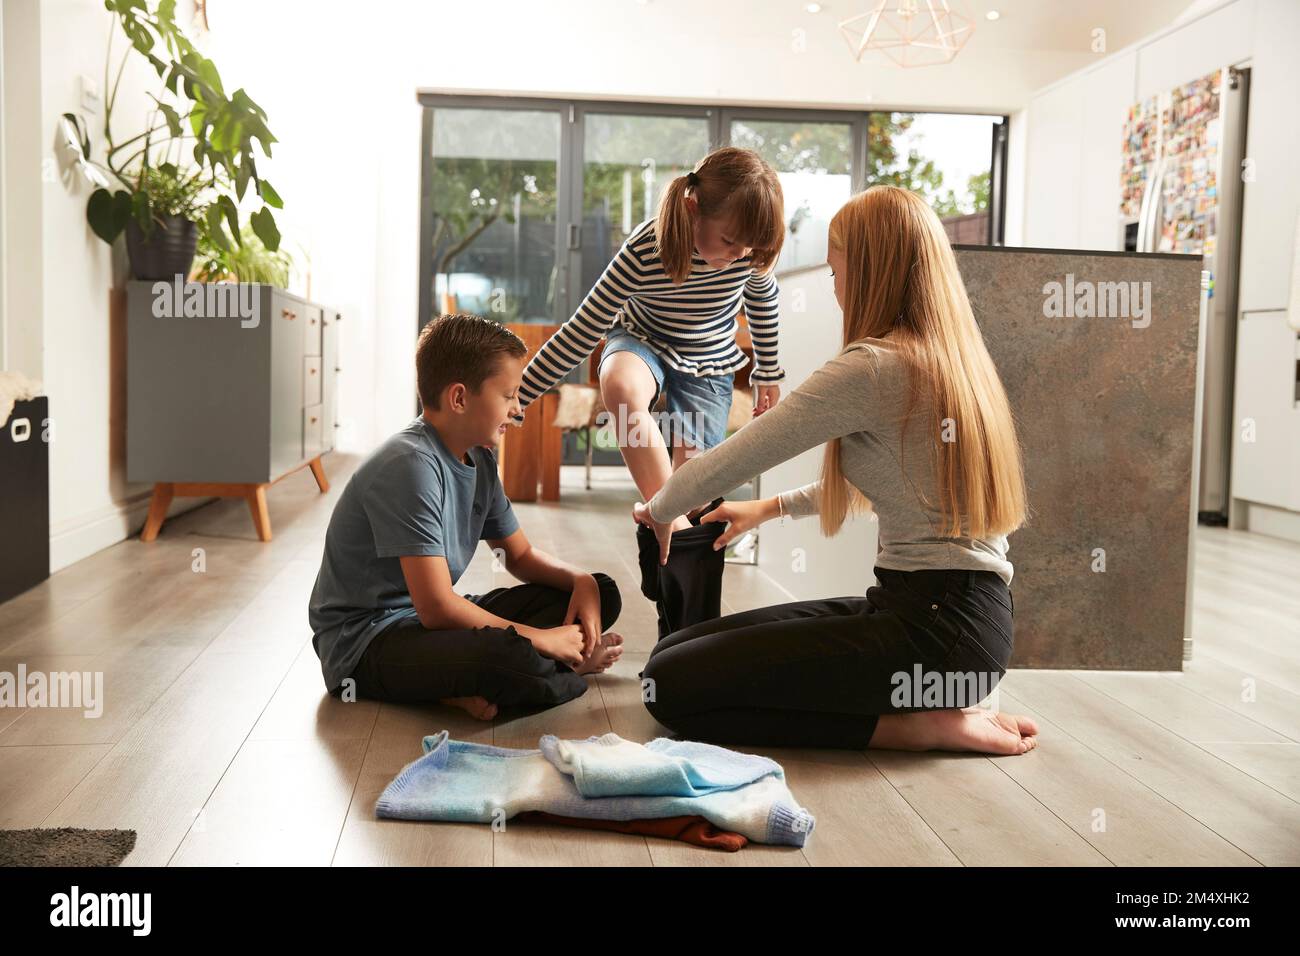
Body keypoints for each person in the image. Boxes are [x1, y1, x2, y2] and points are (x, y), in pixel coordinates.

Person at [633, 185, 1040, 755]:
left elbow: (741, 452)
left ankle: (918, 725)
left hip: (935, 634)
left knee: (668, 689)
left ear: (870, 270)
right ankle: (942, 703)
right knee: (671, 656)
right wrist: (766, 508)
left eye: (835, 270)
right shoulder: (948, 359)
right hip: (952, 623)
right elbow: (887, 486)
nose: (835, 288)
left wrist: (656, 508)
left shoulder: (874, 367)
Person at [309, 314, 623, 721]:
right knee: (503, 656)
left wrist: (581, 581)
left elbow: (520, 557)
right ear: (459, 398)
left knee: (601, 592)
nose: (519, 410)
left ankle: (481, 684)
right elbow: (437, 608)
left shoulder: (480, 459)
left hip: (428, 625)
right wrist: (545, 641)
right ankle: (556, 670)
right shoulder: (411, 465)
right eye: (509, 395)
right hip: (368, 641)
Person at [516, 146, 787, 533]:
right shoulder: (648, 248)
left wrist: (768, 370)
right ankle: (664, 518)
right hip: (643, 340)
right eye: (729, 240)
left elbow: (763, 300)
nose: (740, 254)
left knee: (697, 490)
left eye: (750, 246)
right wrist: (519, 394)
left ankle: (676, 533)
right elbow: (581, 330)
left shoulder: (748, 254)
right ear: (693, 208)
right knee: (621, 386)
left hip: (709, 357)